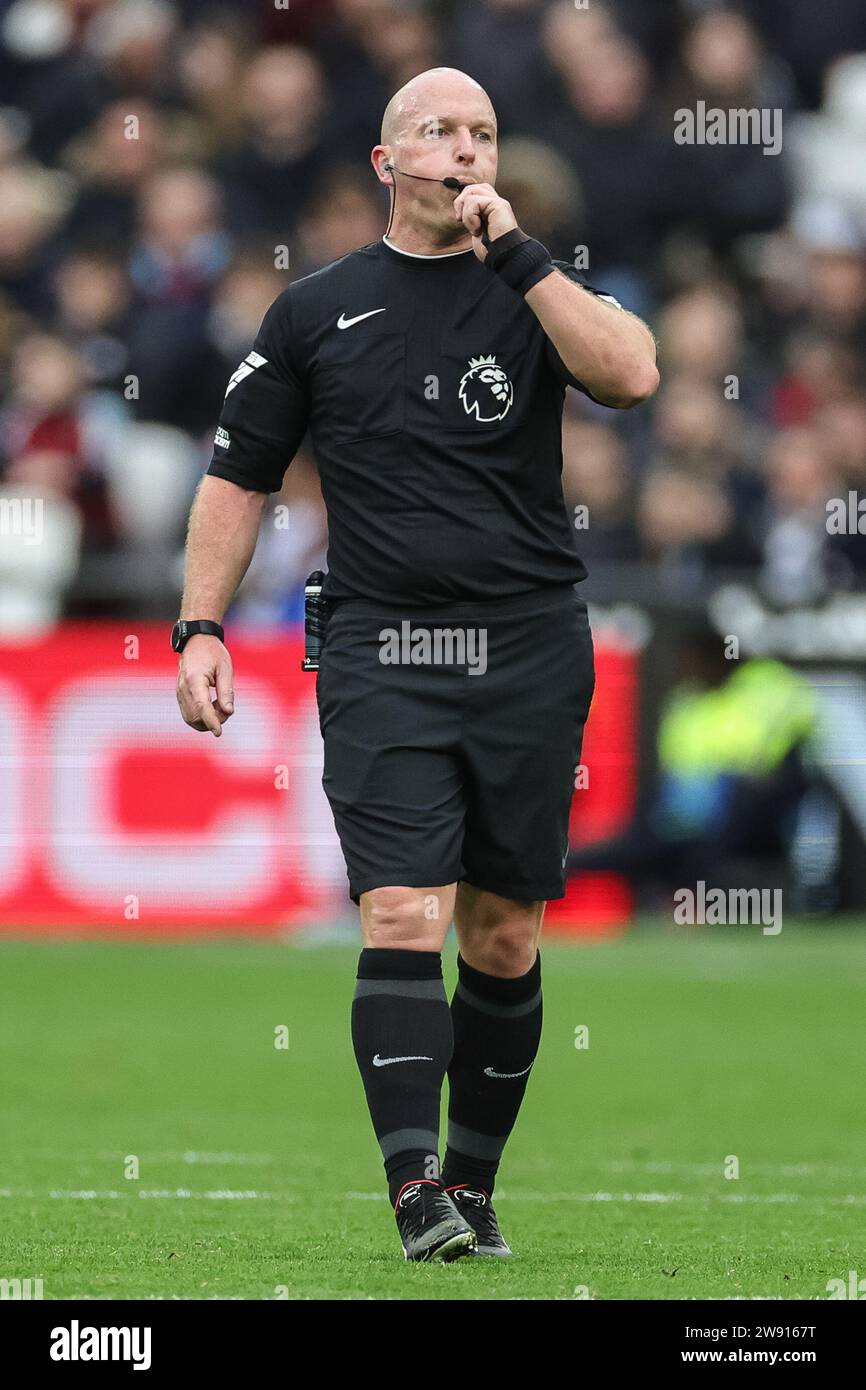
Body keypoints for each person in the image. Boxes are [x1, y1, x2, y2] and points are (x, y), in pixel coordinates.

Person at [174, 67, 658, 1262]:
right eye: (437, 133)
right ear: (388, 165)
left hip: (530, 646)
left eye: (481, 134)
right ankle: (412, 1190)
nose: (462, 151)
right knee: (399, 906)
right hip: (384, 645)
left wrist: (526, 259)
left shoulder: (534, 287)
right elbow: (238, 474)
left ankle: (477, 1188)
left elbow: (632, 375)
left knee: (502, 932)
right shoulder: (314, 311)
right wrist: (198, 624)